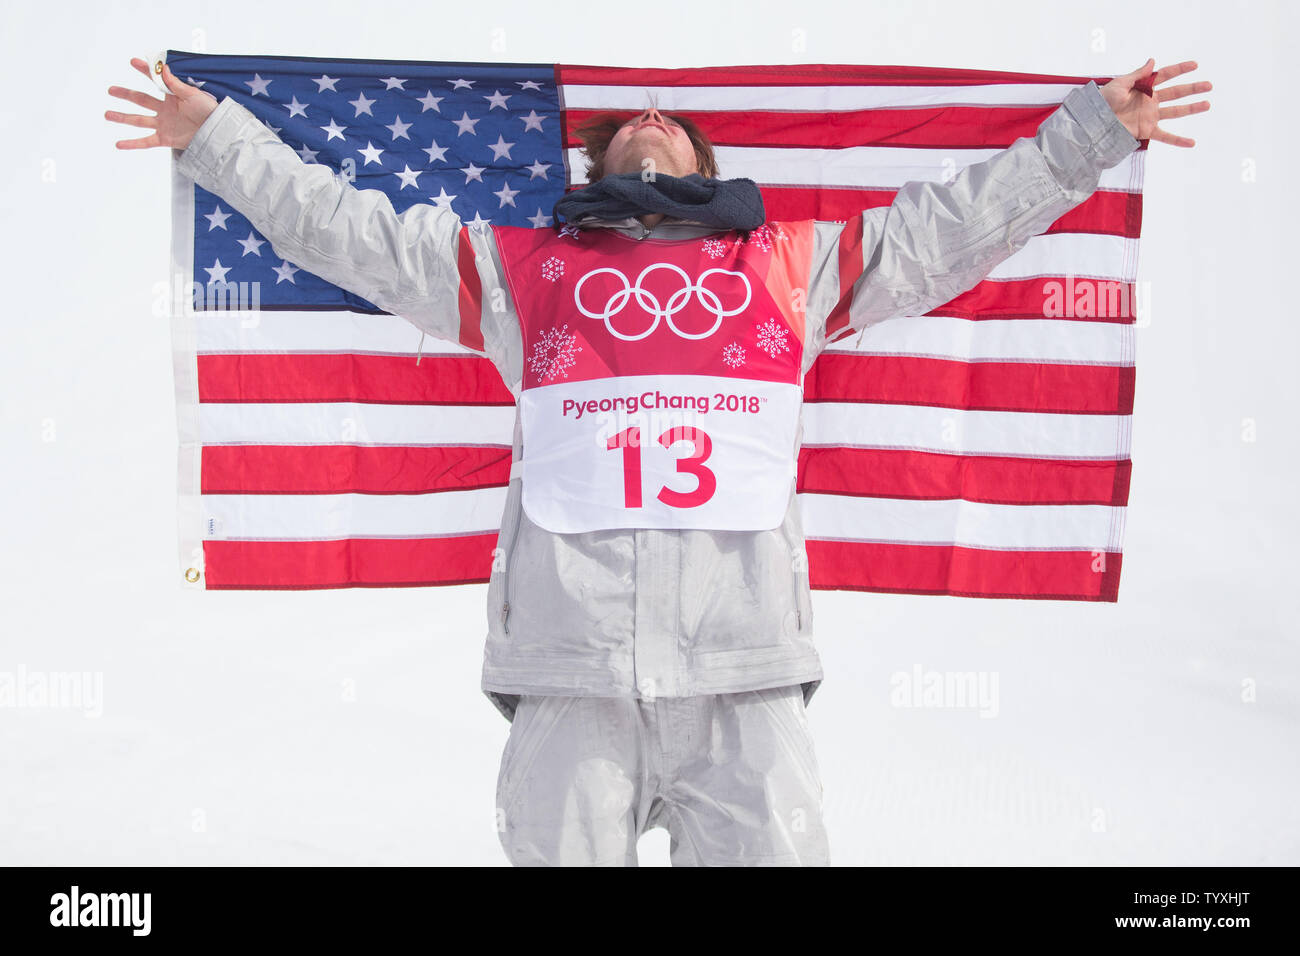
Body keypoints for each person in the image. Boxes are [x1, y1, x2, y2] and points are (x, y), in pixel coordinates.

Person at [107, 54, 1210, 866]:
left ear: (700, 157)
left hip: (744, 681)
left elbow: (956, 227)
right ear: (599, 162)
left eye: (667, 118)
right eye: (627, 119)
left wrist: (1090, 134)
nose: (645, 116)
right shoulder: (523, 271)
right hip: (569, 677)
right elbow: (343, 229)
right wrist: (215, 136)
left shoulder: (788, 265)